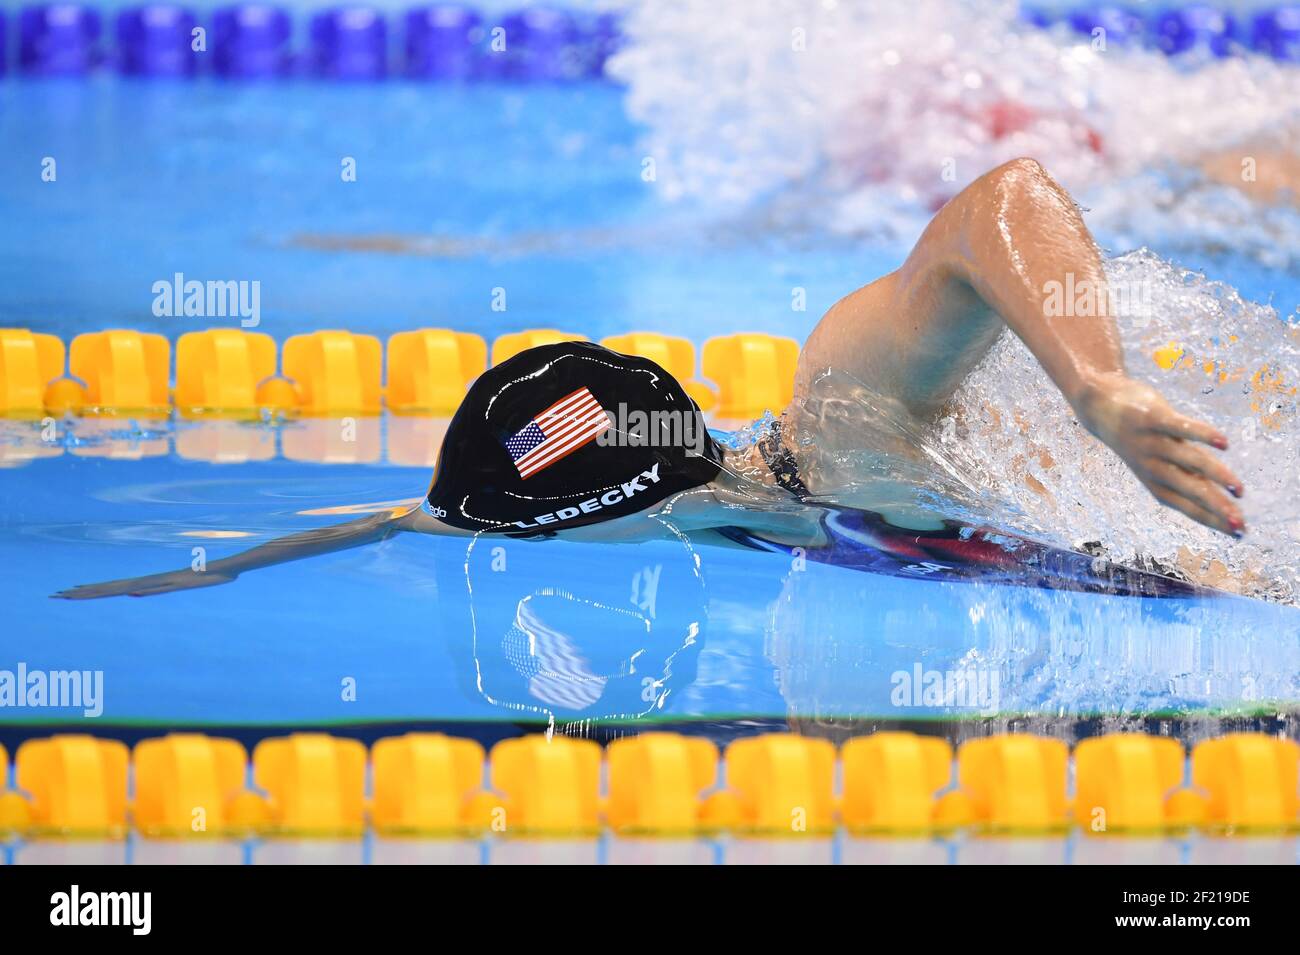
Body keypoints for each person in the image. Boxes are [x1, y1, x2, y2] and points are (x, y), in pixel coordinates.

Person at [56, 158, 1244, 601]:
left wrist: (1096, 391)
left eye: (526, 540)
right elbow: (423, 509)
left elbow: (1002, 201)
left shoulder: (850, 419)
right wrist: (204, 573)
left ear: (619, 516)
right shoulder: (667, 500)